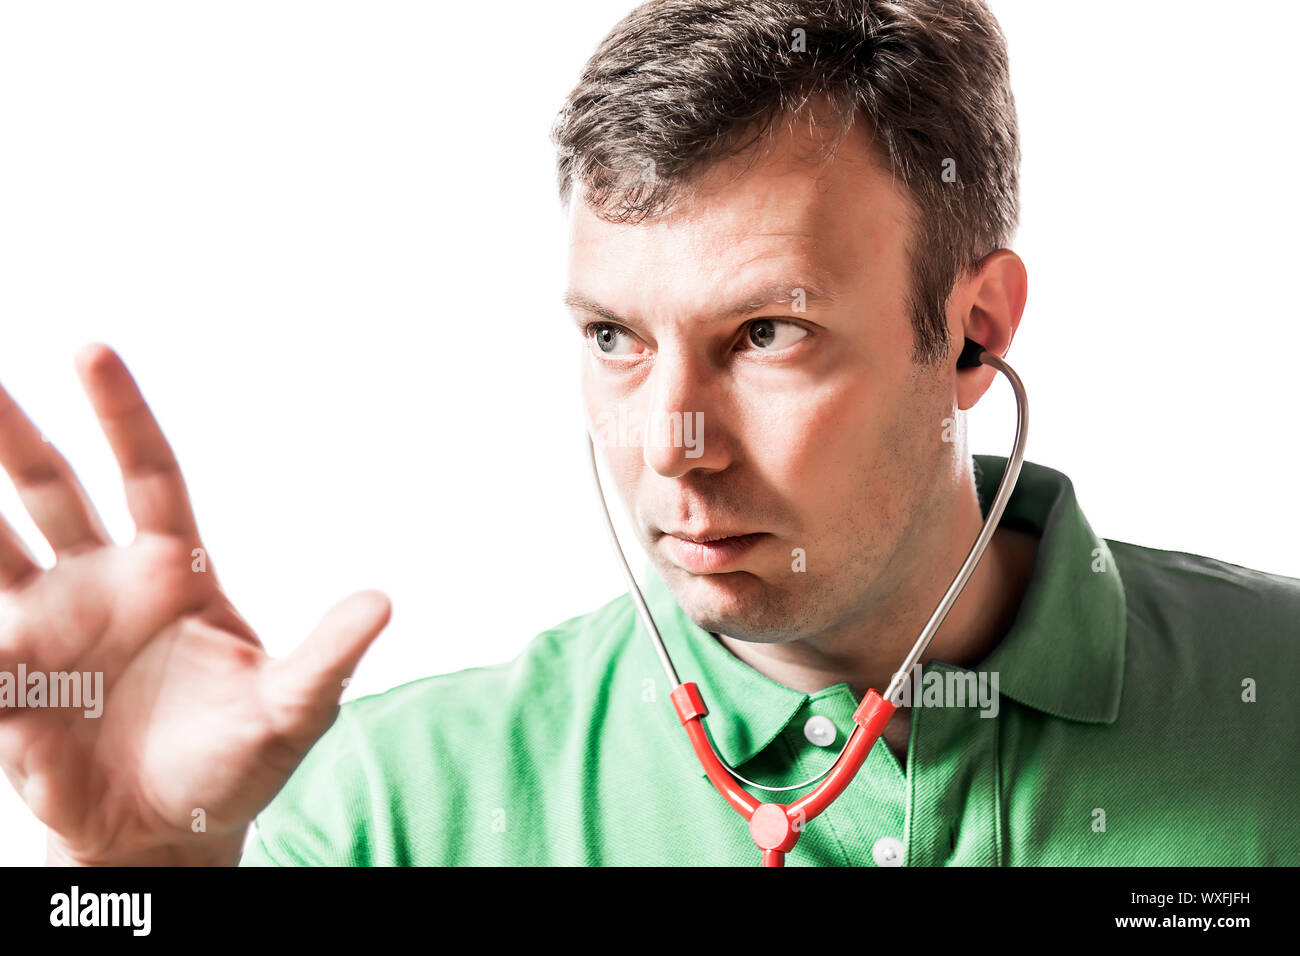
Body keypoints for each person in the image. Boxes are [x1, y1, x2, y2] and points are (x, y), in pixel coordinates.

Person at [6, 0, 1297, 867]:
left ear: (972, 335)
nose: (671, 444)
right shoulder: (384, 814)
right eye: (615, 337)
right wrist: (149, 875)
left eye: (765, 336)